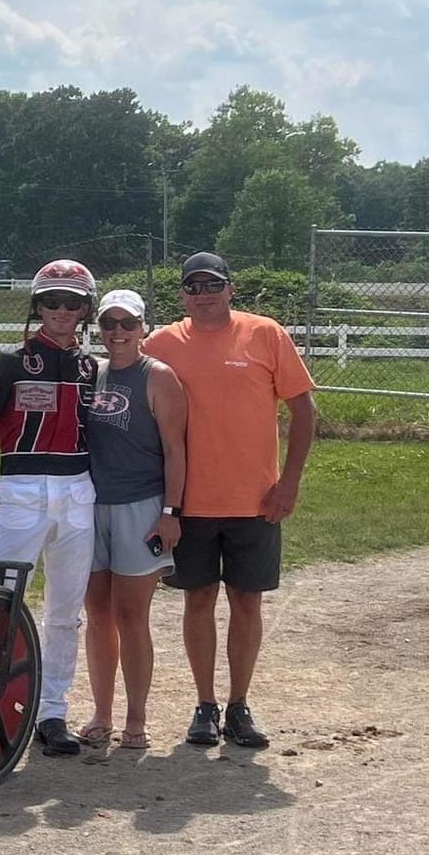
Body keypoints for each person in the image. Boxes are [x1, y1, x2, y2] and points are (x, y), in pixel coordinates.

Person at [148, 252, 317, 751]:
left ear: (230, 289)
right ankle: (205, 705)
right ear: (182, 294)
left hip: (256, 501)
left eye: (212, 285)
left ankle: (240, 704)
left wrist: (289, 482)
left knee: (247, 601)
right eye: (193, 287)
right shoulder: (162, 344)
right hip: (189, 502)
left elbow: (304, 411)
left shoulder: (265, 334)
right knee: (198, 600)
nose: (203, 295)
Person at [0, 260, 99, 756]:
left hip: (78, 492)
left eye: (72, 302)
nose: (61, 310)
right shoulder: (9, 363)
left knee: (65, 613)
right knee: (1, 603)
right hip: (22, 491)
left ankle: (52, 712)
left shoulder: (90, 367)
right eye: (51, 301)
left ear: (85, 310)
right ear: (37, 306)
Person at [77, 289, 187, 754]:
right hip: (90, 507)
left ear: (144, 327)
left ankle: (136, 719)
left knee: (131, 615)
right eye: (109, 323)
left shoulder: (158, 377)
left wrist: (170, 513)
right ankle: (101, 713)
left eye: (127, 323)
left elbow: (177, 451)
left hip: (140, 505)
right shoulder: (92, 374)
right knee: (98, 615)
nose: (117, 332)